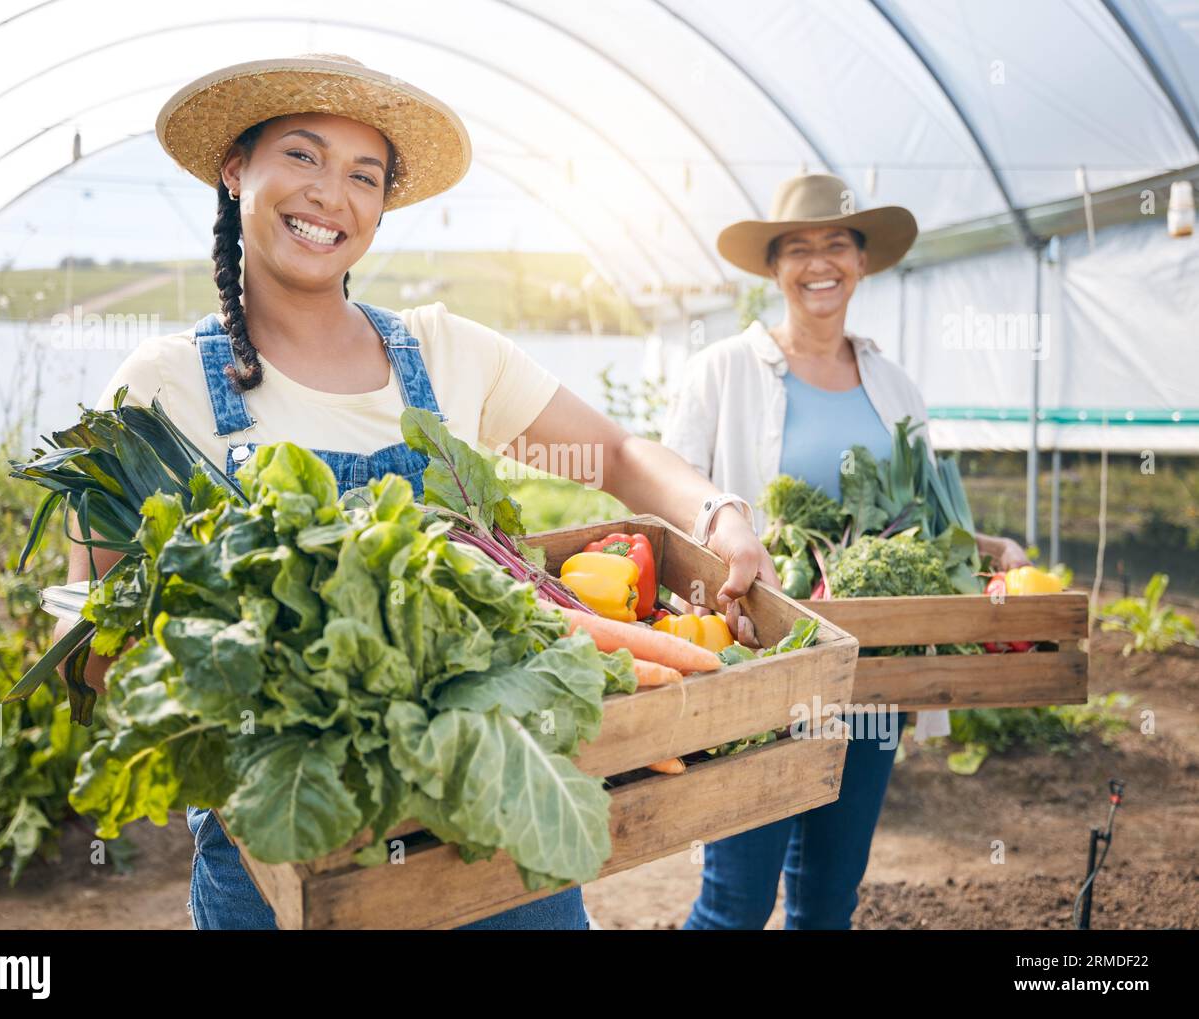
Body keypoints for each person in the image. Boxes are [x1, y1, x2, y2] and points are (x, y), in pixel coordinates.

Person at [53, 52, 775, 930]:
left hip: (499, 817)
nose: (331, 195)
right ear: (236, 170)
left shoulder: (445, 353)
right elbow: (89, 625)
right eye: (302, 156)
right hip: (290, 843)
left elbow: (618, 453)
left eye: (365, 175)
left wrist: (720, 513)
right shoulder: (161, 387)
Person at [662, 172, 1030, 930]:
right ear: (774, 268)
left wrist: (996, 548)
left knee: (829, 901)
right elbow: (667, 506)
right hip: (757, 663)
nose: (818, 262)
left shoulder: (895, 387)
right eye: (798, 248)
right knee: (734, 902)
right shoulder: (721, 372)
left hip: (873, 668)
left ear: (862, 262)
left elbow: (926, 520)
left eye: (837, 244)